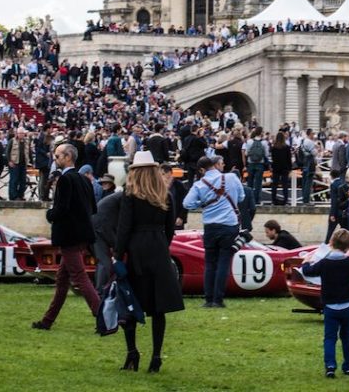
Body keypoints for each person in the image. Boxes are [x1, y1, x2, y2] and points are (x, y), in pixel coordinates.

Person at [113, 152, 185, 373]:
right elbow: (171, 229)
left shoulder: (130, 195)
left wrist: (118, 254)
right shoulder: (166, 195)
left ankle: (132, 353)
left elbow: (124, 228)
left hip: (137, 248)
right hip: (159, 247)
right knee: (158, 306)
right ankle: (156, 357)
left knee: (131, 302)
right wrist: (162, 244)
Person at [32, 143, 101, 330]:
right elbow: (93, 208)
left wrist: (49, 214)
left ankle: (103, 316)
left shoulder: (65, 180)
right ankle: (47, 321)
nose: (56, 160)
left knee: (79, 277)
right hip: (82, 235)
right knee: (62, 280)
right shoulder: (85, 180)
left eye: (58, 156)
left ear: (68, 157)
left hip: (69, 236)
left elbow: (61, 209)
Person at [301, 229, 349, 379]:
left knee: (330, 337)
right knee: (347, 336)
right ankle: (348, 366)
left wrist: (305, 262)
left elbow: (309, 271)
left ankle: (330, 366)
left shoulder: (324, 263)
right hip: (348, 305)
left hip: (330, 306)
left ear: (331, 243)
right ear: (348, 247)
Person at [183, 155, 244, 308]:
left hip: (210, 226)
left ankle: (208, 299)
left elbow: (187, 203)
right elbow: (241, 197)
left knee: (210, 263)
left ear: (202, 170)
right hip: (229, 225)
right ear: (214, 165)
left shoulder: (199, 184)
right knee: (224, 262)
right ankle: (218, 299)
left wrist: (202, 203)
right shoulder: (231, 177)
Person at [92, 190, 122, 293]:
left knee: (103, 262)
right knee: (105, 263)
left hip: (98, 224)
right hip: (101, 226)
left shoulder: (118, 197)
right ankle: (100, 292)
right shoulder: (125, 197)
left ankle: (101, 290)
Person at [326, 169, 349, 243]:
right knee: (346, 232)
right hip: (343, 211)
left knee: (330, 233)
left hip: (336, 211)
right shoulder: (344, 183)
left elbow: (334, 200)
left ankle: (326, 246)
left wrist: (332, 214)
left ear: (331, 176)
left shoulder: (333, 184)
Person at [269, 132, 292, 205]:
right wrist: (290, 168)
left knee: (274, 185)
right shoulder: (287, 147)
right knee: (285, 185)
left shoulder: (273, 148)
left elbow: (272, 158)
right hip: (285, 168)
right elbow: (289, 159)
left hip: (276, 167)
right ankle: (285, 200)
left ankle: (273, 199)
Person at [298, 129, 318, 204]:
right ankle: (306, 200)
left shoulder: (302, 141)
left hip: (304, 164)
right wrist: (317, 148)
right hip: (310, 165)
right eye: (313, 134)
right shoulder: (310, 142)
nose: (314, 135)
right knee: (308, 183)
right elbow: (314, 153)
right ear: (310, 134)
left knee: (304, 182)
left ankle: (304, 199)